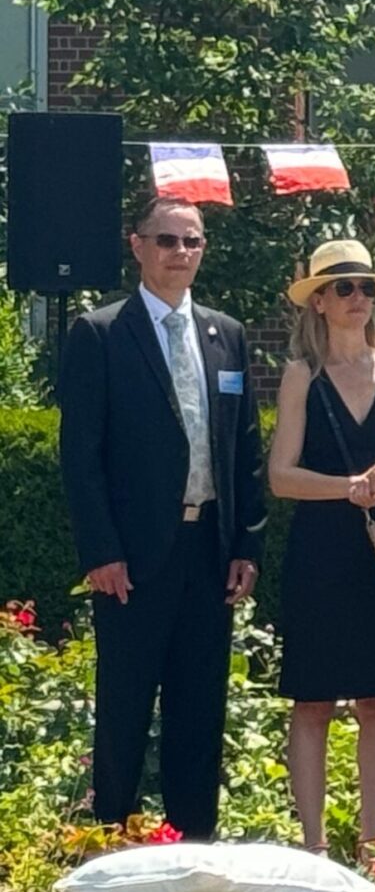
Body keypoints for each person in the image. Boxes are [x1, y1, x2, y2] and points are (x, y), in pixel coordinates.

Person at [57, 196, 265, 839]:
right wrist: (101, 551)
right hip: (134, 556)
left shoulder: (225, 333)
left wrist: (246, 544)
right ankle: (109, 843)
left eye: (193, 241)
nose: (181, 253)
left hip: (209, 550)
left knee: (199, 707)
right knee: (125, 703)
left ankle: (193, 843)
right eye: (167, 240)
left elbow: (245, 451)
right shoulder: (99, 332)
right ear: (138, 246)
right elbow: (80, 455)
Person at [267, 239, 375, 858]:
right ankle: (312, 846)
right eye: (344, 288)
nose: (358, 298)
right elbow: (281, 475)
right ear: (317, 302)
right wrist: (348, 487)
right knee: (312, 699)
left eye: (366, 287)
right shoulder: (301, 375)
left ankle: (371, 844)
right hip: (323, 547)